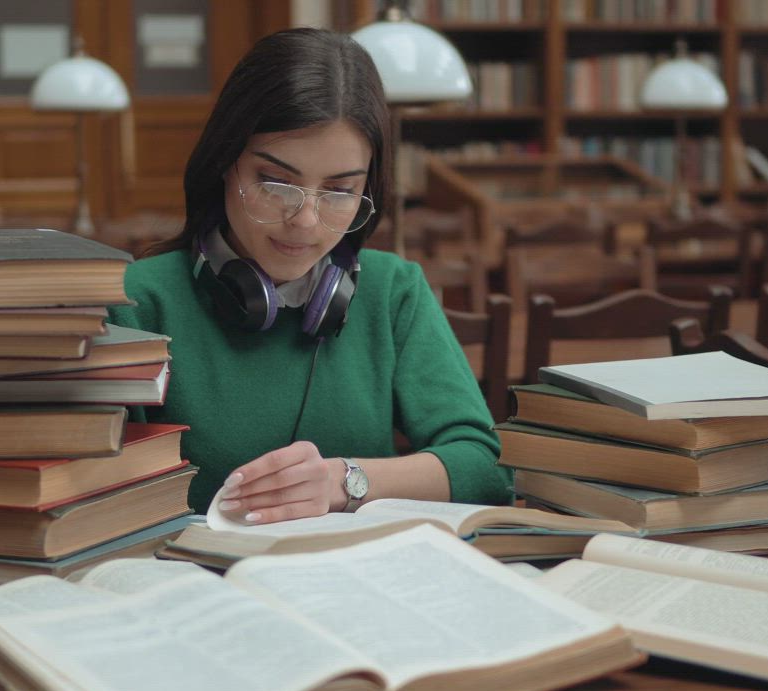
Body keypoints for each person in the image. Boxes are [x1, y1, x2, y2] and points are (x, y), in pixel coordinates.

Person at [108, 27, 511, 524]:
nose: (304, 222)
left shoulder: (393, 291)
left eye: (340, 191)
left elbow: (487, 469)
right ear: (225, 165)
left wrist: (346, 482)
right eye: (276, 183)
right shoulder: (134, 304)